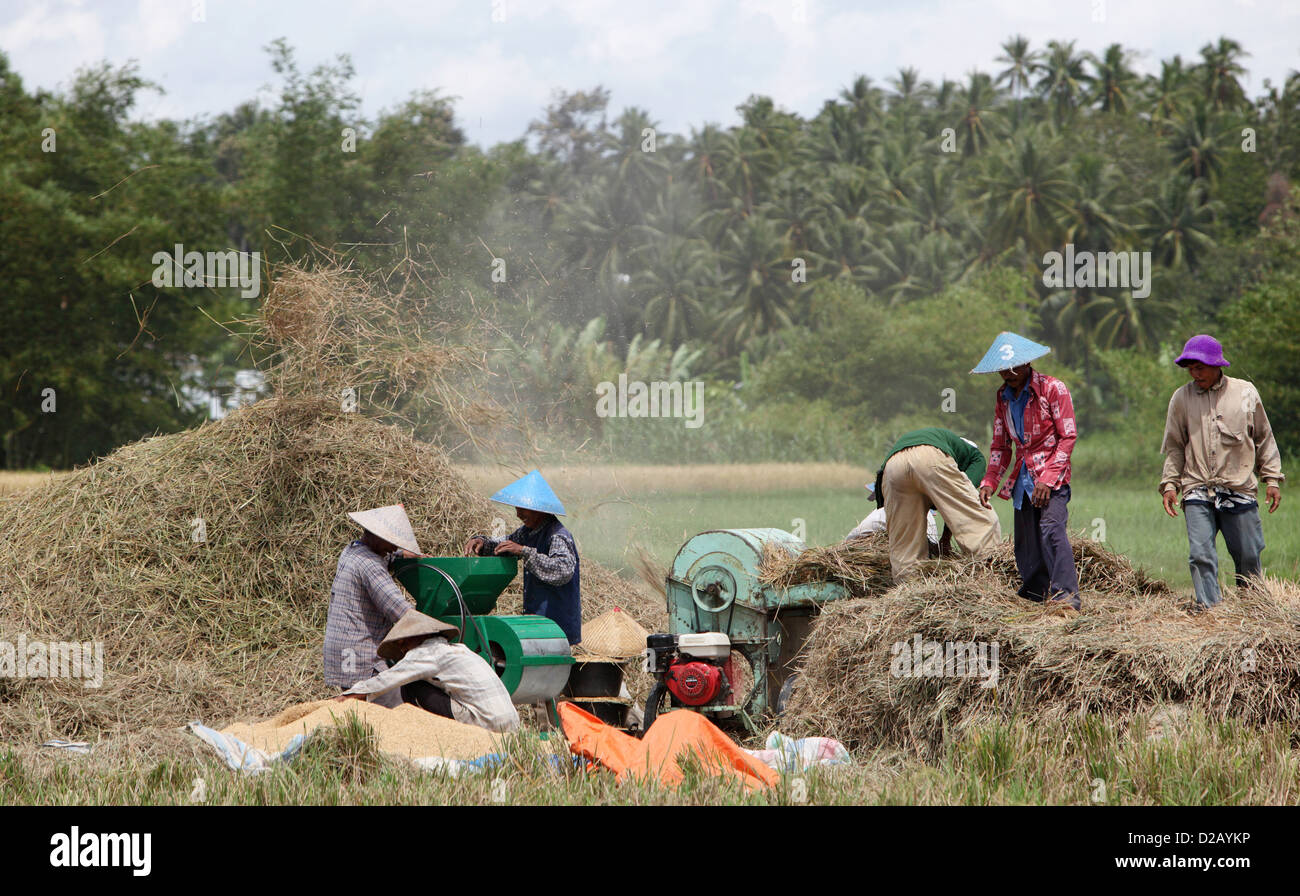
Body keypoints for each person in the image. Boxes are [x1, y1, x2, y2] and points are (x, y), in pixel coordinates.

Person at [1159, 334, 1284, 610]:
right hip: (1197, 488)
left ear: (1217, 365)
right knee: (1200, 555)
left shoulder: (1245, 393)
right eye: (1191, 368)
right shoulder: (1181, 399)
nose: (1195, 373)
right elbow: (1175, 446)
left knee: (1248, 555)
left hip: (1238, 488)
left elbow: (1264, 438)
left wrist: (1272, 478)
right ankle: (1210, 610)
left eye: (1200, 367)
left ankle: (1253, 608)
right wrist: (1170, 484)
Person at [973, 332, 1081, 610]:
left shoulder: (1052, 389)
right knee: (1026, 544)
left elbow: (1067, 436)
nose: (1008, 373)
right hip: (1022, 479)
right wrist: (989, 481)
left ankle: (1066, 599)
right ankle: (1035, 596)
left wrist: (1047, 478)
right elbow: (1001, 444)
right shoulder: (1003, 397)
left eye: (1014, 367)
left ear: (1028, 363)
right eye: (1003, 369)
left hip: (1052, 478)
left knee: (1052, 531)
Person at [336, 609, 520, 733]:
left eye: (404, 642)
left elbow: (387, 679)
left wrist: (348, 696)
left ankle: (432, 733)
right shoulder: (459, 649)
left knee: (411, 685)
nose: (403, 649)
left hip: (484, 723)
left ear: (420, 636)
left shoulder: (426, 652)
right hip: (511, 723)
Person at [463, 470, 582, 645]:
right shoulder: (528, 532)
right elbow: (506, 544)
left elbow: (562, 571)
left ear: (539, 509)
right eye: (517, 508)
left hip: (556, 623)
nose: (518, 514)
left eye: (522, 508)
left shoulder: (557, 535)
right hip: (537, 621)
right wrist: (482, 542)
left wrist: (524, 552)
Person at [322, 504, 421, 707]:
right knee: (390, 707)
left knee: (359, 708)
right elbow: (400, 610)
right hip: (361, 654)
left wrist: (401, 556)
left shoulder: (353, 549)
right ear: (375, 534)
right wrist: (434, 629)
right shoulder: (370, 565)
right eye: (391, 542)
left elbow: (384, 555)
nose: (394, 548)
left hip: (343, 646)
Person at [872, 427, 1002, 581]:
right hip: (929, 458)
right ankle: (990, 575)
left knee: (906, 547)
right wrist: (946, 538)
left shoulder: (938, 437)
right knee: (981, 522)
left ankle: (907, 589)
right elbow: (960, 507)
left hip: (892, 466)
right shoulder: (976, 458)